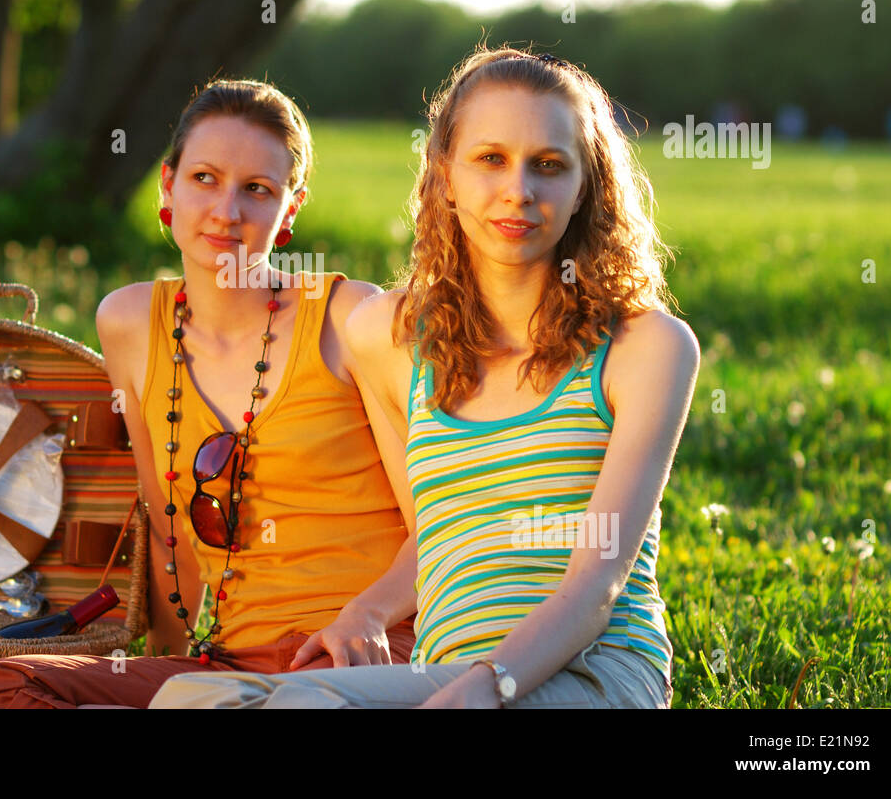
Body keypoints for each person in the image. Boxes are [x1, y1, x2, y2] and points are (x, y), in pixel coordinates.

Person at [148, 47, 700, 709]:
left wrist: (488, 687)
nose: (518, 190)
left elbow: (598, 585)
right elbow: (425, 532)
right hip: (440, 674)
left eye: (548, 166)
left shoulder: (646, 346)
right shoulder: (392, 339)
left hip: (592, 672)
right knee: (189, 698)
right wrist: (366, 612)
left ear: (585, 186)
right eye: (490, 159)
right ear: (445, 175)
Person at [0, 79, 418, 708]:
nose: (226, 211)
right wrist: (174, 670)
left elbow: (437, 520)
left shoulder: (348, 317)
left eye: (258, 190)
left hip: (357, 657)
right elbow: (170, 537)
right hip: (227, 670)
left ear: (290, 209)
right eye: (205, 179)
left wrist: (369, 616)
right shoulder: (131, 323)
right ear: (168, 186)